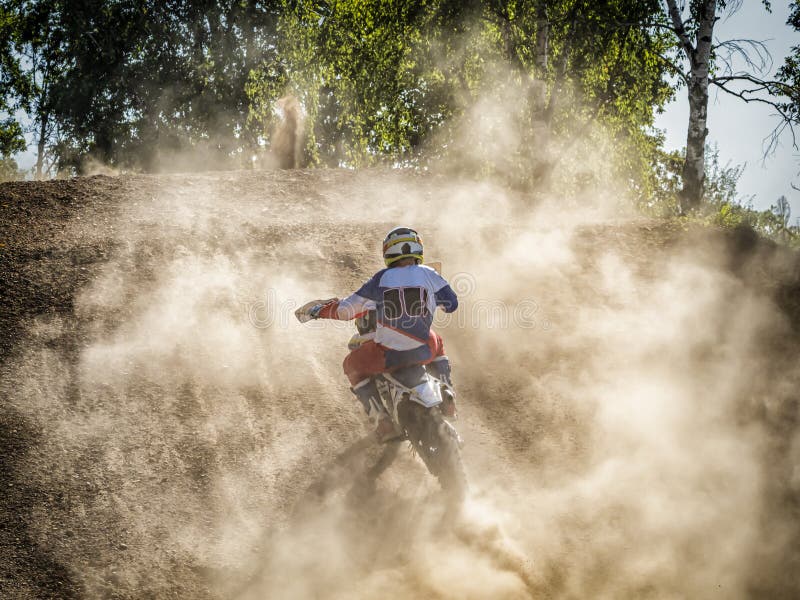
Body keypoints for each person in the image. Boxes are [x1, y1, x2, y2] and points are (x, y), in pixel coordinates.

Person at [298, 227, 459, 442]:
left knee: (351, 365)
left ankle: (383, 422)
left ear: (388, 253)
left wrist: (319, 310)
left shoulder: (381, 279)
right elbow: (452, 304)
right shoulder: (429, 274)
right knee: (437, 341)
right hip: (424, 349)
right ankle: (447, 396)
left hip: (388, 354)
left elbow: (345, 311)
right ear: (418, 250)